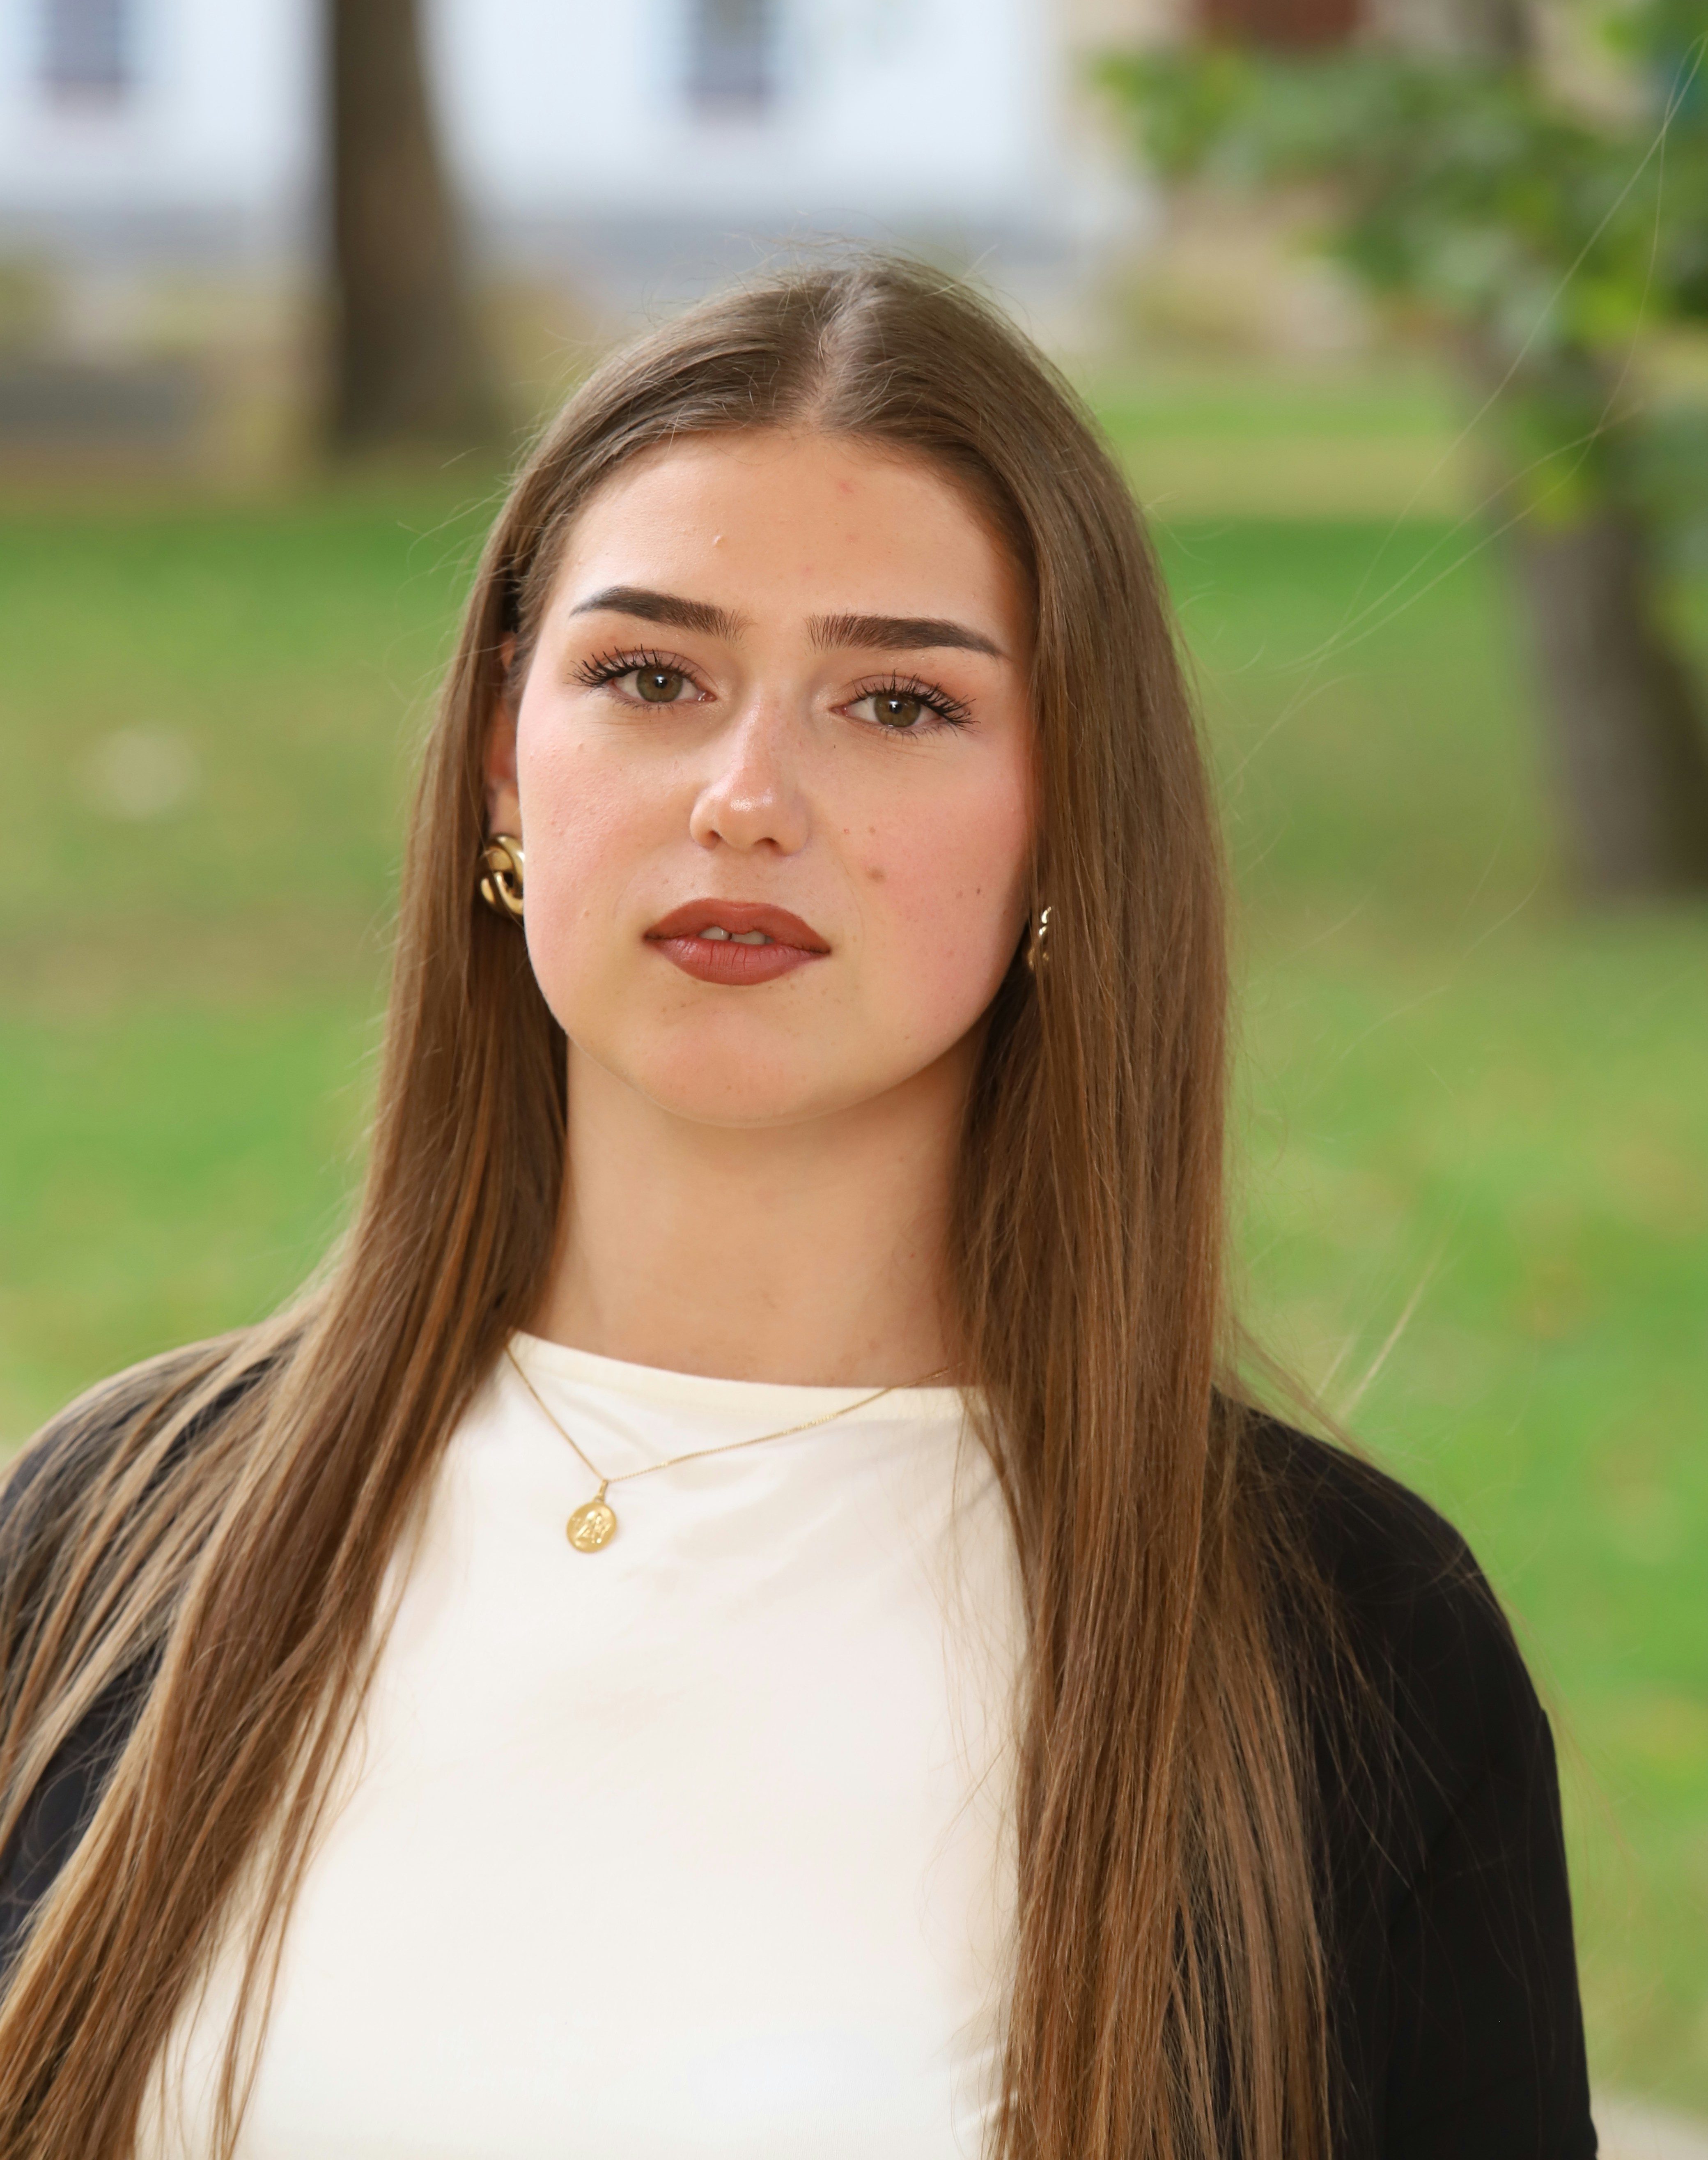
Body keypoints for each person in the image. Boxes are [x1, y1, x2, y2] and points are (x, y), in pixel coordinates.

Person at [0, 259, 1593, 2160]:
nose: (748, 798)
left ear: (1068, 816)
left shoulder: (1337, 1644)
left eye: (899, 703)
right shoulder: (109, 1534)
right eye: (648, 676)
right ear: (508, 759)